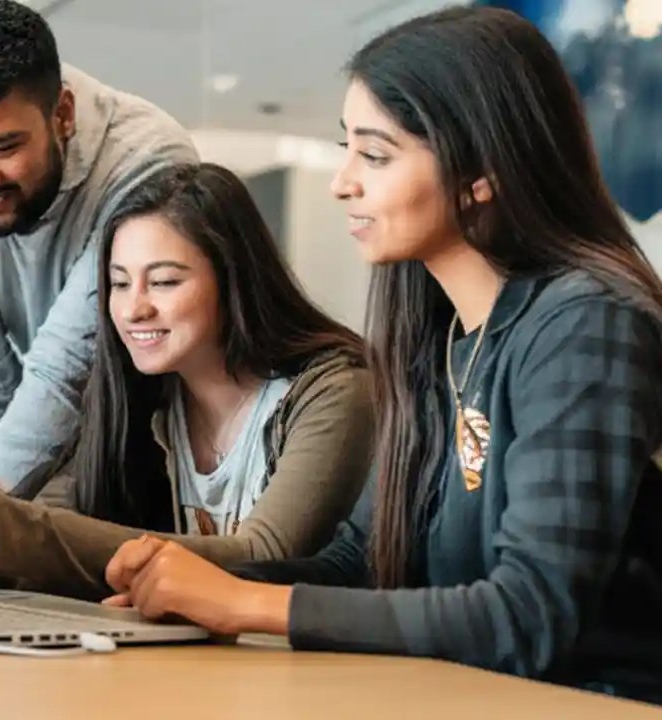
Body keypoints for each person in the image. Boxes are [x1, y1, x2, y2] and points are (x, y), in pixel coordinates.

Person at [100, 6, 662, 703]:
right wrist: (193, 585)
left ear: (479, 170)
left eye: (375, 154)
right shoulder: (438, 337)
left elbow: (530, 613)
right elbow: (359, 560)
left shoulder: (586, 321)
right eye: (348, 149)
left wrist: (242, 605)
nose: (344, 181)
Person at [0, 163, 375, 599]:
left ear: (233, 278)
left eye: (162, 282)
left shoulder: (334, 390)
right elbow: (59, 519)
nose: (133, 309)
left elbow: (264, 556)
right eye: (119, 284)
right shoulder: (140, 394)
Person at [0, 0, 198, 498]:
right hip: (45, 445)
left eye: (3, 148)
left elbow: (69, 366)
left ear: (62, 114)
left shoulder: (149, 160)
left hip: (155, 447)